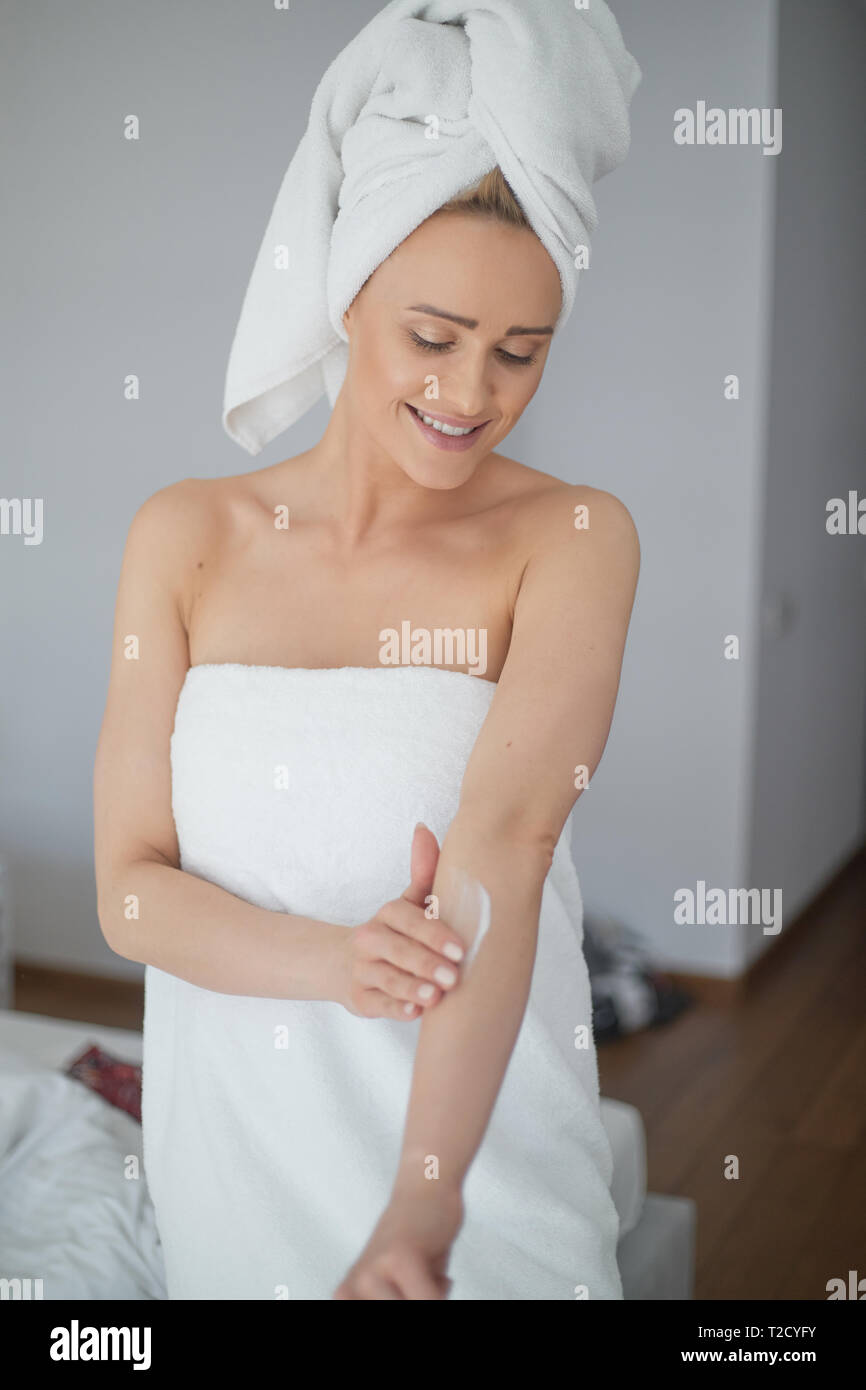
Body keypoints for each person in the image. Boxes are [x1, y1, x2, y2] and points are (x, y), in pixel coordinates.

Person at [93, 2, 642, 1301]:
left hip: (467, 1162)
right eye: (433, 337)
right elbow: (128, 893)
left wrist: (419, 1211)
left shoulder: (571, 535)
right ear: (349, 293)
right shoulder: (186, 533)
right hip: (236, 1149)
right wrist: (337, 962)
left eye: (520, 353)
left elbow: (501, 845)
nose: (469, 397)